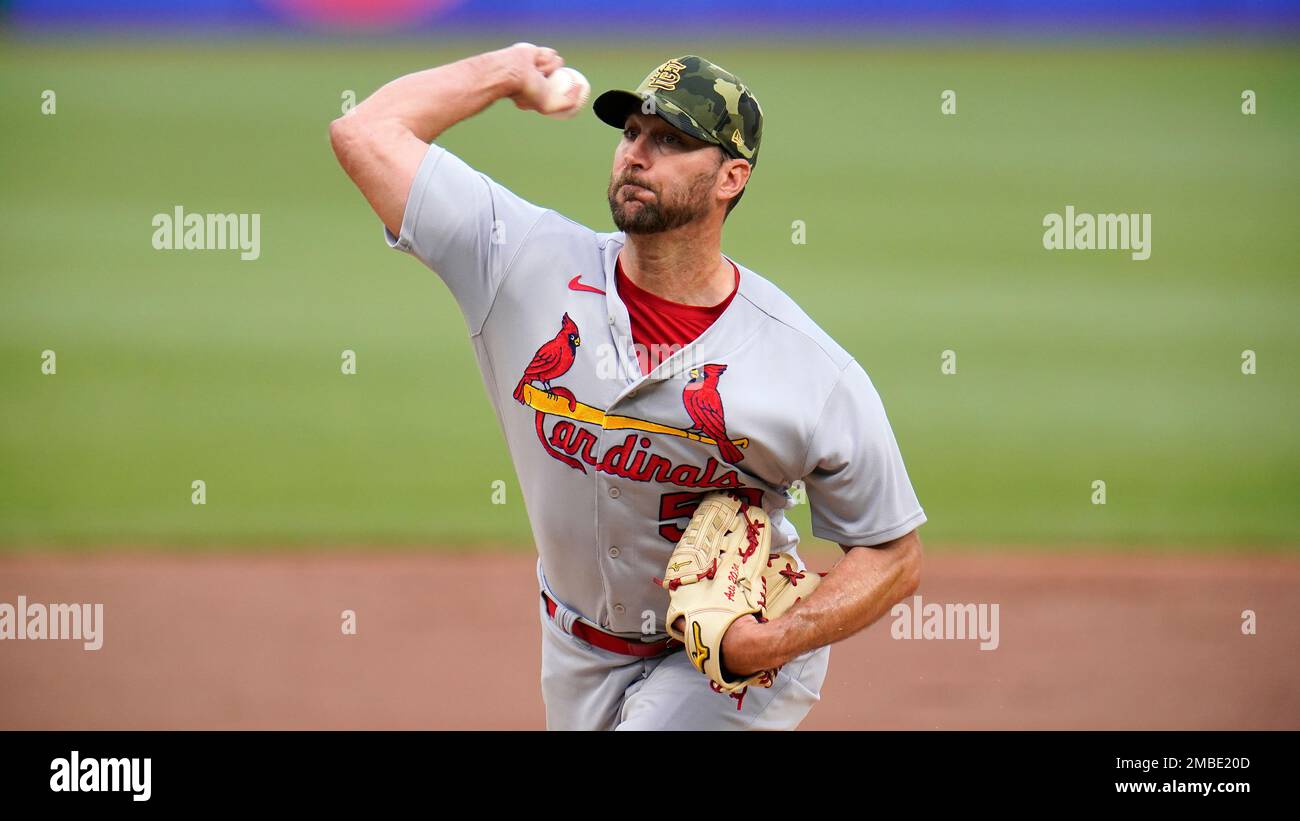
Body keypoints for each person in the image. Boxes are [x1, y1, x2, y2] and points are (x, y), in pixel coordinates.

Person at [330, 44, 926, 730]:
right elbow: (365, 133)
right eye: (632, 132)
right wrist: (502, 72)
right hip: (573, 650)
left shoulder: (806, 367)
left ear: (732, 176)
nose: (637, 153)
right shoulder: (519, 261)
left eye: (671, 140)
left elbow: (892, 553)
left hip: (722, 669)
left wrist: (770, 640)